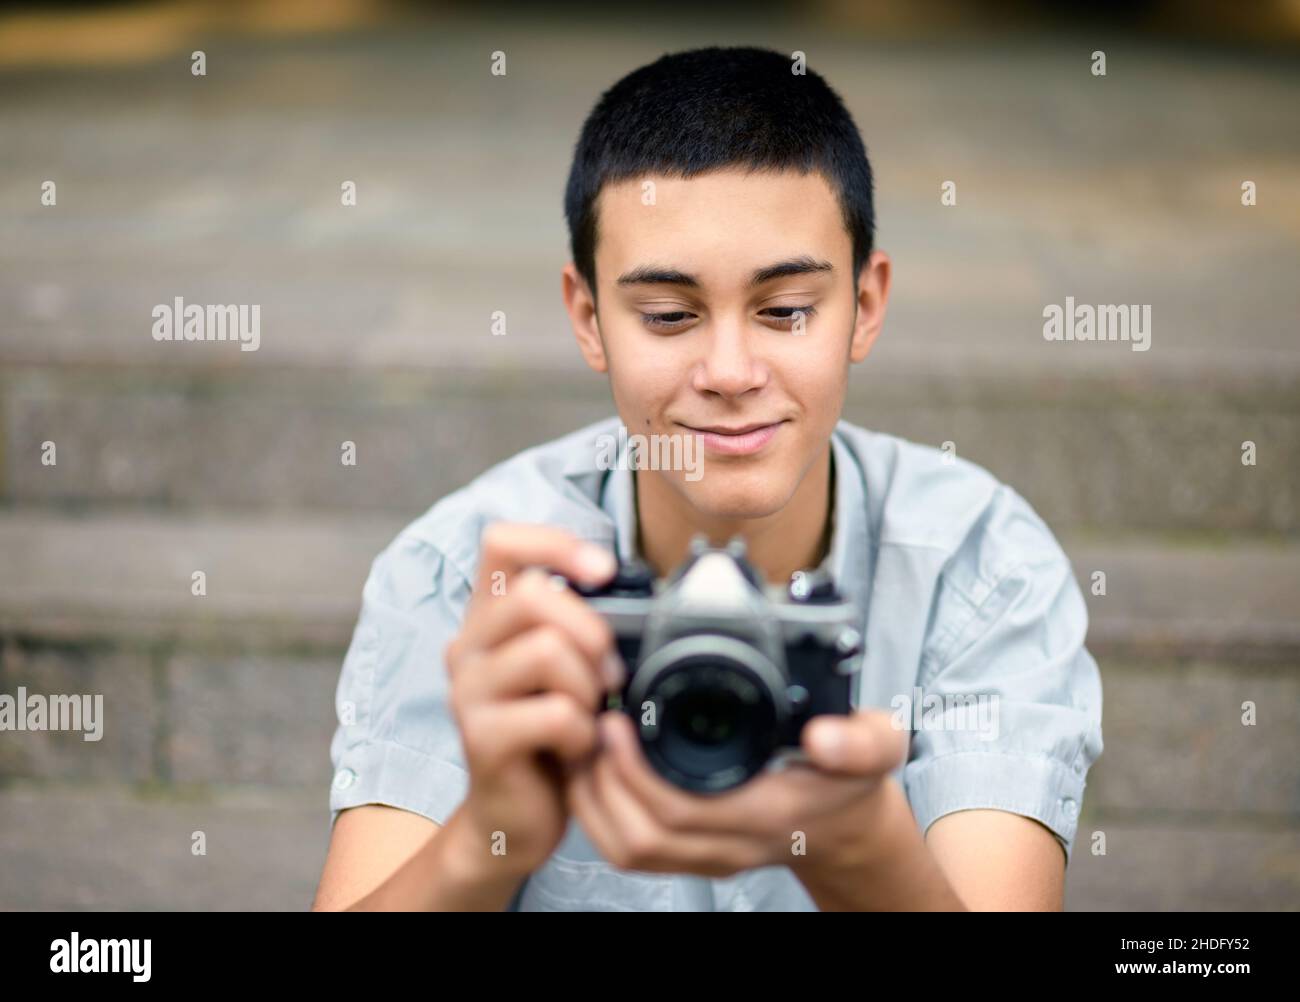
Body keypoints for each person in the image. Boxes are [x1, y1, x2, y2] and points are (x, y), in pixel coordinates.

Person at [312, 45, 1103, 911]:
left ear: (865, 308)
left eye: (786, 311)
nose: (729, 371)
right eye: (668, 316)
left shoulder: (979, 566)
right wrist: (487, 838)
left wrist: (865, 856)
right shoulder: (469, 577)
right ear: (588, 319)